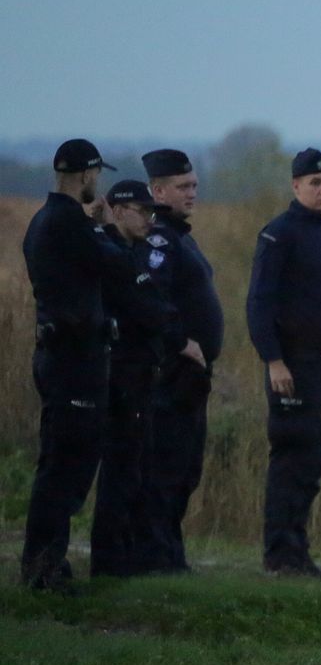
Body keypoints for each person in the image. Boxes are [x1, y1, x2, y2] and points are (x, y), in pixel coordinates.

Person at [247, 147, 321, 576]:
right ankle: (279, 554)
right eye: (315, 183)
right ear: (296, 186)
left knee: (313, 461)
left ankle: (298, 552)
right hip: (290, 366)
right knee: (291, 458)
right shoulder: (278, 234)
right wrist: (273, 361)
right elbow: (260, 303)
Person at [19, 139, 125, 590]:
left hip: (57, 354)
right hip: (74, 361)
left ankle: (47, 564)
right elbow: (117, 265)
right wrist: (103, 227)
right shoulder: (70, 225)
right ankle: (43, 568)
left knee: (59, 463)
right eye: (97, 176)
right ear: (86, 175)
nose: (97, 184)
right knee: (66, 467)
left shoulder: (41, 221)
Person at [92, 180, 200, 577]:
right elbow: (150, 307)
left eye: (153, 213)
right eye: (143, 212)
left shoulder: (130, 250)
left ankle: (126, 554)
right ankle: (109, 561)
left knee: (134, 466)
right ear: (119, 212)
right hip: (122, 371)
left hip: (140, 371)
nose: (151, 221)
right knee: (120, 467)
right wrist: (179, 338)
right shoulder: (113, 253)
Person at [141, 148, 222, 574]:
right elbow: (153, 299)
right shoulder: (159, 240)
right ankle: (158, 555)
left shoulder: (181, 237)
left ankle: (171, 552)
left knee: (187, 468)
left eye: (194, 185)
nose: (192, 192)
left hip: (193, 378)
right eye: (183, 187)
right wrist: (180, 341)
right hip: (172, 373)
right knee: (167, 467)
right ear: (158, 190)